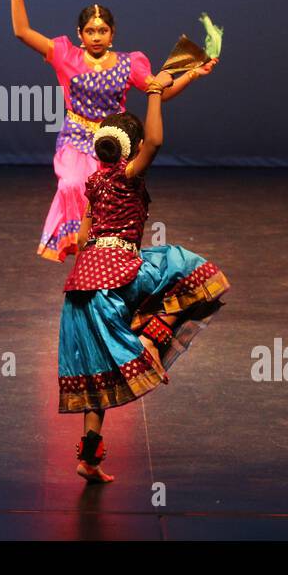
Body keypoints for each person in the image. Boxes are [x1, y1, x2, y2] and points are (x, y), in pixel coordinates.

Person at [57, 70, 229, 483]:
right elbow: (155, 141)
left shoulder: (94, 181)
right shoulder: (125, 176)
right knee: (187, 270)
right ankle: (148, 346)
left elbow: (81, 237)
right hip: (117, 273)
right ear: (130, 151)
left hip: (82, 284)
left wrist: (79, 247)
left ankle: (89, 459)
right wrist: (153, 93)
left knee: (93, 376)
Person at [7, 0, 216, 261]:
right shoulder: (65, 55)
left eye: (102, 30)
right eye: (90, 31)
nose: (96, 36)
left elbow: (161, 92)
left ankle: (104, 255)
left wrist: (192, 74)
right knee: (72, 184)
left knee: (110, 200)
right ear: (80, 33)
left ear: (112, 33)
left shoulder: (129, 63)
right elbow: (22, 32)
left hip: (114, 144)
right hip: (75, 140)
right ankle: (82, 249)